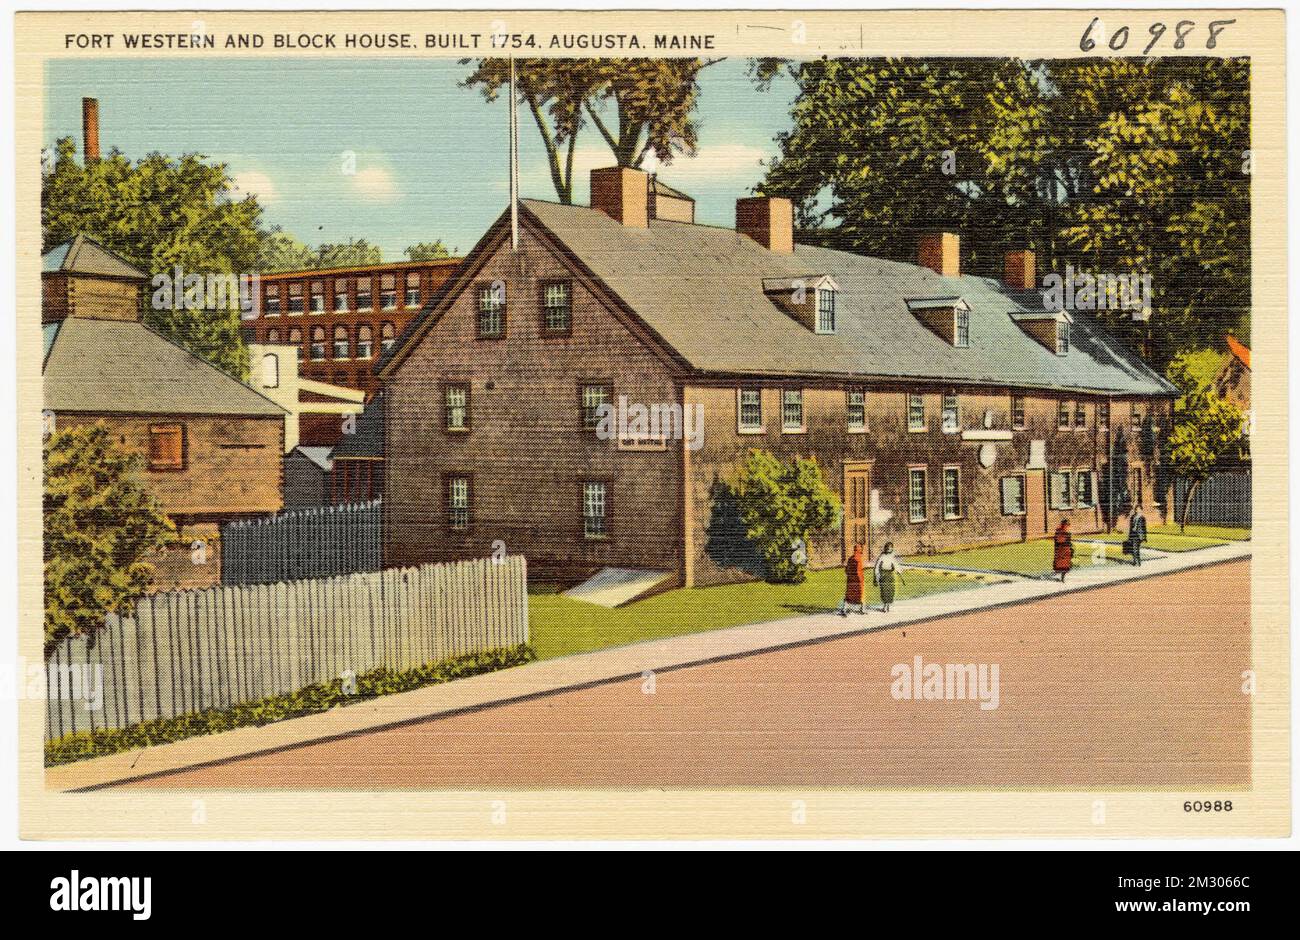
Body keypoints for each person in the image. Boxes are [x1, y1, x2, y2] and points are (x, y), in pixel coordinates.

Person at [873, 542, 906, 613]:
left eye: (890, 547)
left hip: (890, 575)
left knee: (891, 591)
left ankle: (888, 605)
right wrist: (876, 577)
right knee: (884, 590)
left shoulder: (892, 556)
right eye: (888, 547)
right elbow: (877, 567)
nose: (889, 549)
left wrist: (900, 574)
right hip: (884, 575)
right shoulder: (882, 556)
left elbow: (896, 566)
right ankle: (885, 605)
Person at [839, 543, 866, 616]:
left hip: (850, 580)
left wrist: (849, 575)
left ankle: (844, 609)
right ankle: (862, 609)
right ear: (860, 550)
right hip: (858, 580)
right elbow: (859, 570)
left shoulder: (850, 559)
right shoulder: (859, 559)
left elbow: (846, 570)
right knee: (861, 595)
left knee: (849, 595)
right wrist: (860, 578)